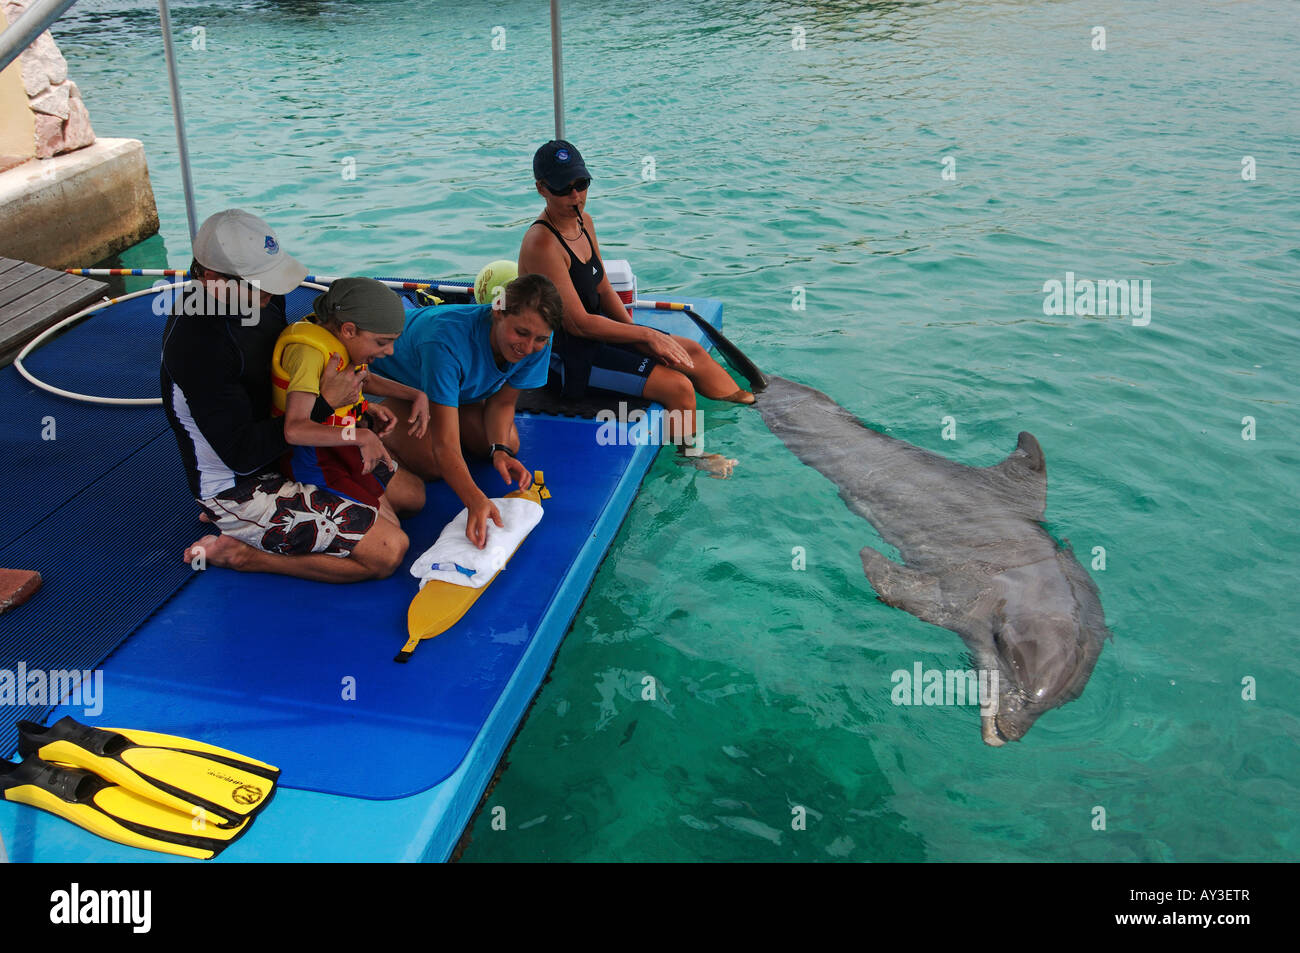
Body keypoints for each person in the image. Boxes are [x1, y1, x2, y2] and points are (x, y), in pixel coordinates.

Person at [161, 209, 419, 581]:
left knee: (410, 498)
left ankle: (260, 527)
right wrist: (325, 405)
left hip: (289, 445)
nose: (273, 292)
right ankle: (243, 552)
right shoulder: (197, 345)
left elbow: (290, 377)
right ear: (213, 280)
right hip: (241, 481)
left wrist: (351, 408)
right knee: (388, 551)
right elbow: (243, 454)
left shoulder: (265, 300)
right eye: (259, 283)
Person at [517, 139, 745, 477]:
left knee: (692, 352)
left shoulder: (583, 222)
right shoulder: (542, 243)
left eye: (581, 184)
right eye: (563, 188)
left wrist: (638, 336)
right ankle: (691, 456)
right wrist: (643, 337)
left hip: (599, 336)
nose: (575, 196)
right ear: (541, 189)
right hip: (568, 358)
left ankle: (753, 407)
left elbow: (603, 286)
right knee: (678, 386)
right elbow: (578, 324)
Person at [370, 273, 562, 548]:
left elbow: (503, 403)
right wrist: (475, 500)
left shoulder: (538, 340)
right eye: (520, 333)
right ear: (497, 311)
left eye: (539, 339)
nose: (528, 347)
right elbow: (445, 445)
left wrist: (500, 450)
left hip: (457, 390)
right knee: (434, 463)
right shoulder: (445, 341)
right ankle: (377, 421)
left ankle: (451, 407)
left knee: (508, 443)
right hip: (394, 383)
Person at [273, 277, 430, 531]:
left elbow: (362, 377)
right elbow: (294, 429)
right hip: (314, 456)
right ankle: (282, 506)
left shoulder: (340, 339)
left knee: (415, 497)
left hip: (345, 441)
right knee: (390, 530)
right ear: (348, 330)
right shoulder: (308, 355)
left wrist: (415, 395)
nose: (389, 351)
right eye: (382, 342)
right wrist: (361, 436)